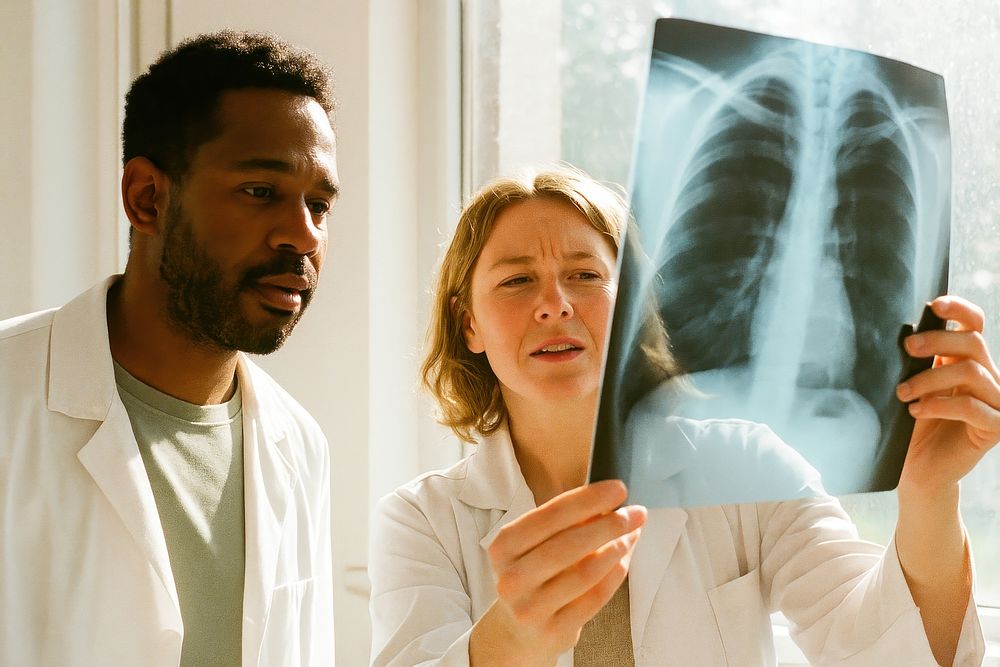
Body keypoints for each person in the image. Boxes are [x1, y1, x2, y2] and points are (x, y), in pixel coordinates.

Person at [368, 164, 998, 665]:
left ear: (631, 305)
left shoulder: (746, 468)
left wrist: (929, 494)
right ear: (467, 322)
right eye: (515, 281)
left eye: (586, 274)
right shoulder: (422, 521)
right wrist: (516, 639)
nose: (554, 305)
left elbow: (893, 654)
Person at [0, 31, 338, 665]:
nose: (303, 234)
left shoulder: (300, 445)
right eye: (261, 191)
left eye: (319, 204)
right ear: (147, 198)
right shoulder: (7, 394)